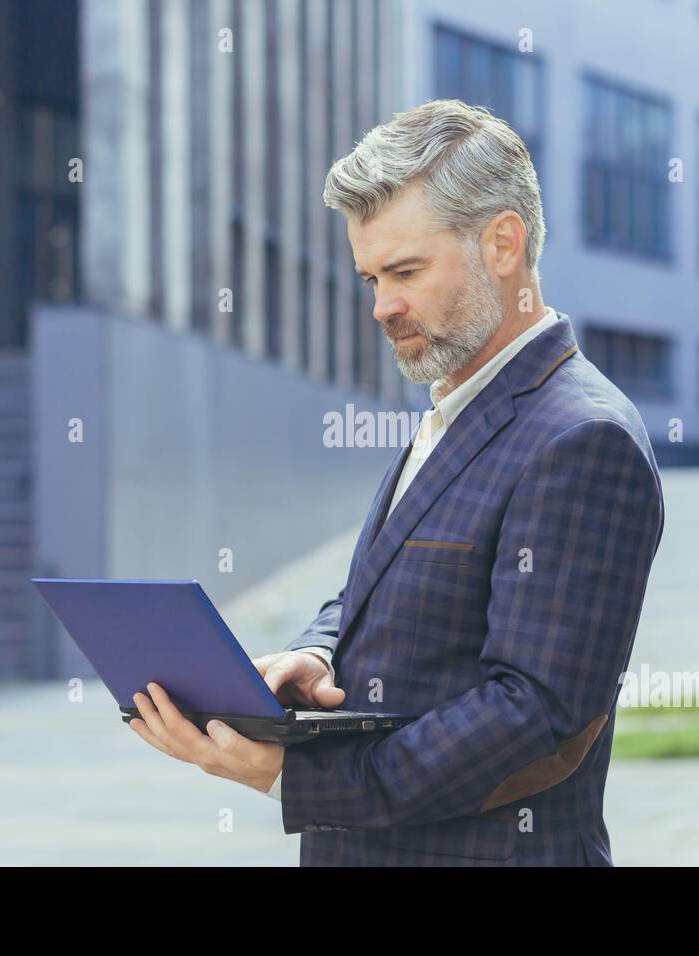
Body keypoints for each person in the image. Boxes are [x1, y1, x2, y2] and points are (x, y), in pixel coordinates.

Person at [128, 98, 665, 866]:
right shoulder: (459, 403)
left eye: (406, 271)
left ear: (503, 244)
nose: (383, 307)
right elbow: (386, 588)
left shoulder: (582, 439)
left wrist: (296, 777)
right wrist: (316, 654)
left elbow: (536, 714)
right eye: (370, 277)